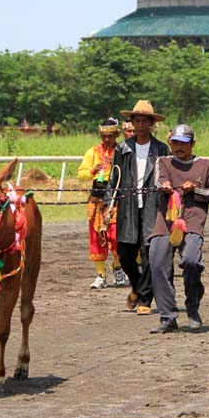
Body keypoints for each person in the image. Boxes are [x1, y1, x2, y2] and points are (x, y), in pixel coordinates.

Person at [148, 124, 209, 332]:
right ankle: (168, 316)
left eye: (184, 143)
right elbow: (157, 183)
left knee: (191, 261)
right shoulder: (162, 162)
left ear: (193, 144)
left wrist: (195, 189)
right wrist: (164, 188)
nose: (179, 147)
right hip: (166, 220)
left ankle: (192, 306)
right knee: (157, 262)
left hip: (193, 221)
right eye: (175, 143)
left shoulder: (207, 165)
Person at [106, 100, 171, 316]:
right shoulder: (123, 149)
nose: (141, 124)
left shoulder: (161, 149)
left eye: (145, 120)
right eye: (137, 120)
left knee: (149, 252)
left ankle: (145, 298)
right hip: (129, 206)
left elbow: (167, 175)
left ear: (152, 123)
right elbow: (114, 178)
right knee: (125, 254)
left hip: (154, 205)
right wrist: (110, 203)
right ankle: (136, 286)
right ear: (132, 122)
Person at [78, 118, 127, 289]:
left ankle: (119, 268)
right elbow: (81, 175)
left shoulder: (122, 150)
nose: (107, 139)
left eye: (110, 136)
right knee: (96, 238)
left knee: (115, 236)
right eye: (104, 136)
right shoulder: (92, 152)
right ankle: (101, 275)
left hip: (116, 197)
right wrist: (93, 170)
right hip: (97, 197)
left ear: (116, 135)